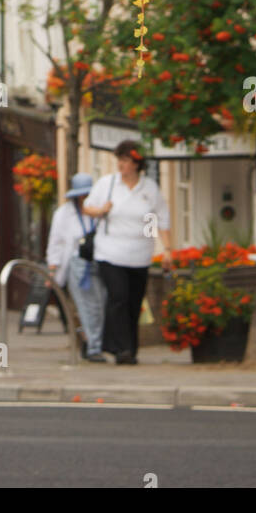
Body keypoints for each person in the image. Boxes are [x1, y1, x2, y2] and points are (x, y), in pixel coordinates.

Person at [84, 139, 170, 365]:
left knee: (133, 302)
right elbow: (87, 207)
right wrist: (101, 210)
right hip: (110, 251)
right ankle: (120, 348)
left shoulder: (149, 188)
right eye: (119, 160)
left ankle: (130, 348)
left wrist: (167, 249)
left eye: (126, 160)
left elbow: (161, 218)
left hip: (140, 253)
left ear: (136, 163)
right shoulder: (107, 184)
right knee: (118, 297)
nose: (121, 164)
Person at [46, 171, 107, 362]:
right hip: (77, 264)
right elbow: (55, 242)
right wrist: (53, 268)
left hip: (100, 260)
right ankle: (93, 345)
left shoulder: (98, 210)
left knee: (101, 304)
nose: (84, 198)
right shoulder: (63, 214)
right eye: (82, 194)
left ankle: (91, 340)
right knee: (87, 306)